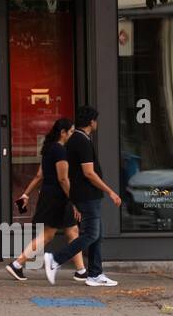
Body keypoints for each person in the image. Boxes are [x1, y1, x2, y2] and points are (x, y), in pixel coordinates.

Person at [45, 106, 121, 287]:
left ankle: (95, 274)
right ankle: (55, 259)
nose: (97, 123)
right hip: (88, 196)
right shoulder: (81, 141)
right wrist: (110, 191)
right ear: (91, 122)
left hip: (84, 196)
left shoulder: (75, 139)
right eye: (96, 120)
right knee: (91, 234)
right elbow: (89, 173)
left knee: (97, 235)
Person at [5, 119, 86, 281]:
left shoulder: (48, 149)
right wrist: (75, 201)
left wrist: (25, 194)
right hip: (58, 198)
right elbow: (63, 179)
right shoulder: (60, 151)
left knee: (72, 231)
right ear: (62, 133)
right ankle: (17, 264)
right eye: (70, 132)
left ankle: (81, 271)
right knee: (48, 235)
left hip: (50, 196)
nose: (71, 135)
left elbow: (39, 176)